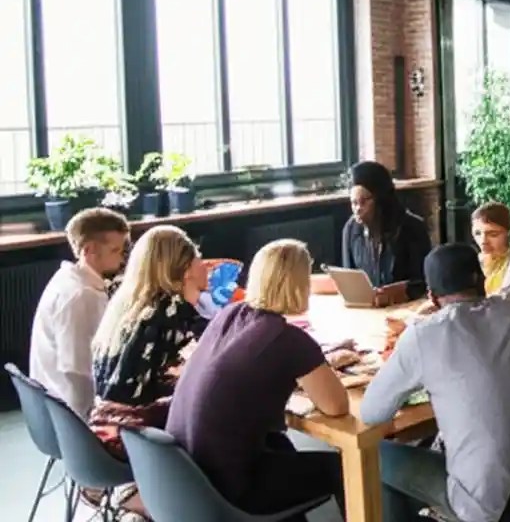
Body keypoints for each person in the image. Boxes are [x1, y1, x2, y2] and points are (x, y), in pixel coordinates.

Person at [362, 244, 510, 522]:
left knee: (371, 454)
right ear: (482, 280)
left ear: (431, 296)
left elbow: (371, 412)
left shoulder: (424, 335)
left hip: (484, 504)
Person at [168, 240, 348, 519]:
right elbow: (336, 407)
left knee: (282, 446)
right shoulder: (290, 340)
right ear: (300, 283)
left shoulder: (229, 315)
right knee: (343, 467)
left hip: (188, 476)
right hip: (230, 488)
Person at [89, 225, 208, 458]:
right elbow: (199, 378)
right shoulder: (173, 315)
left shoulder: (129, 305)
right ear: (185, 270)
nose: (205, 265)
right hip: (140, 439)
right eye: (199, 258)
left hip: (105, 426)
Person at [29, 208, 129, 417]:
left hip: (57, 402)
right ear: (89, 249)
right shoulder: (81, 296)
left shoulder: (68, 278)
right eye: (115, 250)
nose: (121, 259)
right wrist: (98, 417)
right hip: (73, 414)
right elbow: (78, 372)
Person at [342, 161, 431, 298]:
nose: (358, 209)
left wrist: (398, 291)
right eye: (354, 203)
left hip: (405, 307)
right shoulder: (351, 229)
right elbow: (349, 277)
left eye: (364, 201)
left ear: (381, 199)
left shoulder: (412, 228)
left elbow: (424, 282)